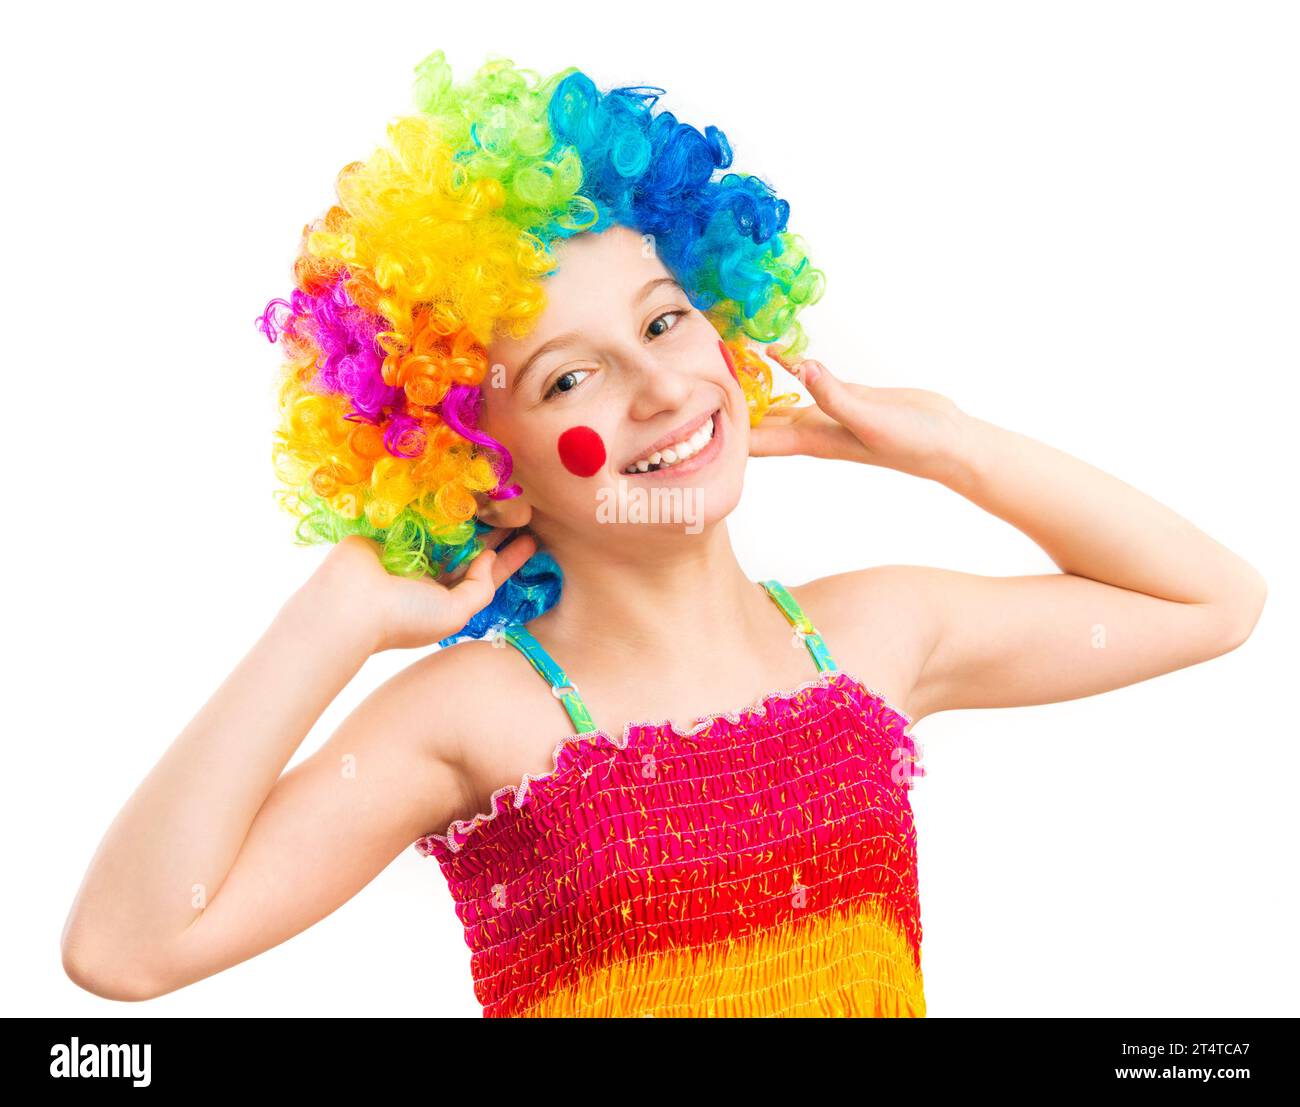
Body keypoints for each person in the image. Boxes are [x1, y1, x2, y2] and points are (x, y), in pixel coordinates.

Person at [60, 49, 1266, 1017]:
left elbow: (1210, 602)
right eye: (568, 381)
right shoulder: (475, 715)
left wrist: (945, 443)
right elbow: (126, 950)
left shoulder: (870, 636)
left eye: (667, 321)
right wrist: (330, 619)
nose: (657, 389)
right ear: (485, 471)